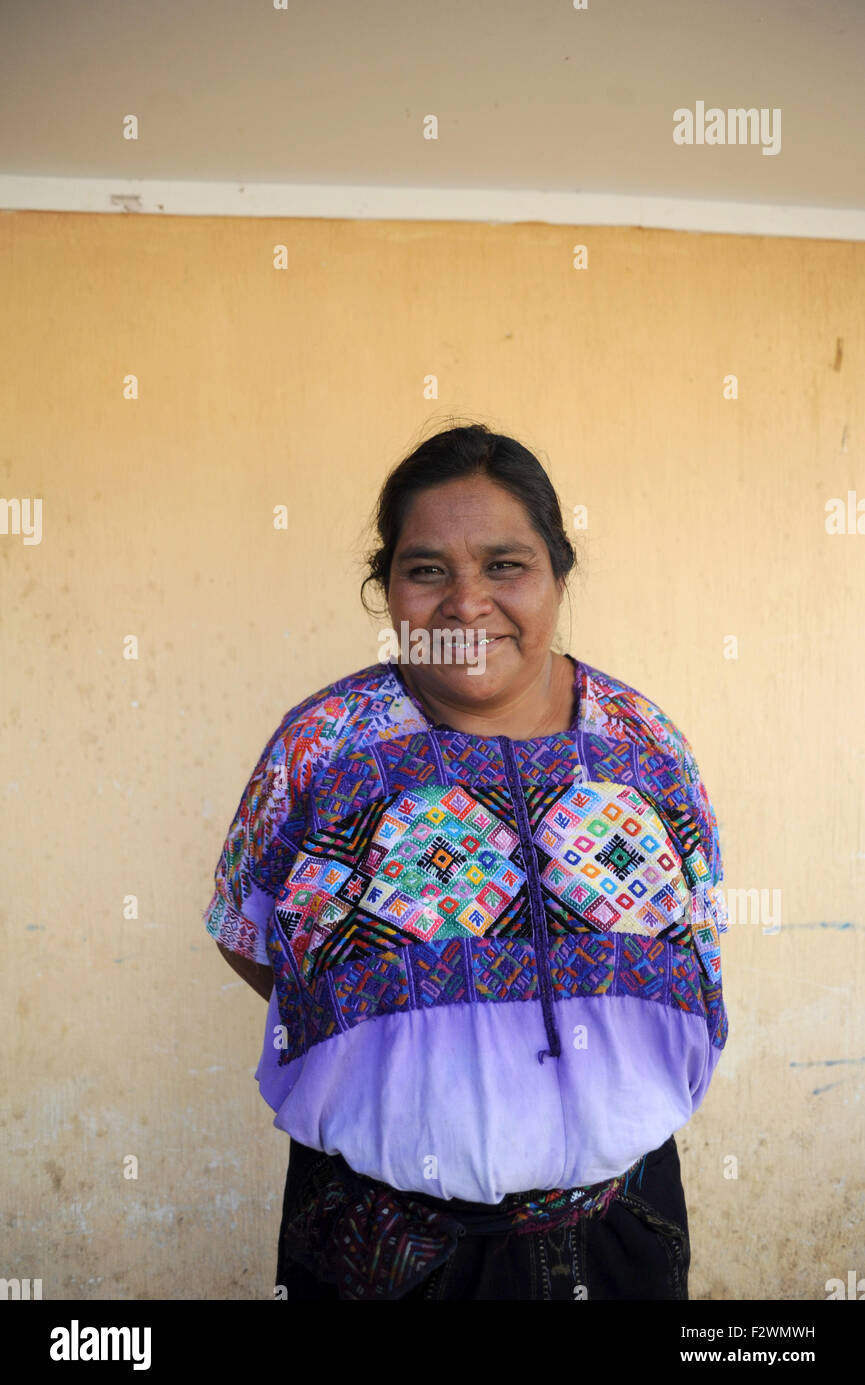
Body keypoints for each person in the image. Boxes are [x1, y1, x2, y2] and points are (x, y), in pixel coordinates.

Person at [203, 422, 728, 1300]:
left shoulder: (644, 747)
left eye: (504, 565)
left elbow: (697, 937)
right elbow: (247, 934)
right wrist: (405, 1033)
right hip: (380, 1242)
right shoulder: (322, 750)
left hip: (619, 1227)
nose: (465, 604)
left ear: (559, 573)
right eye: (426, 570)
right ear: (386, 586)